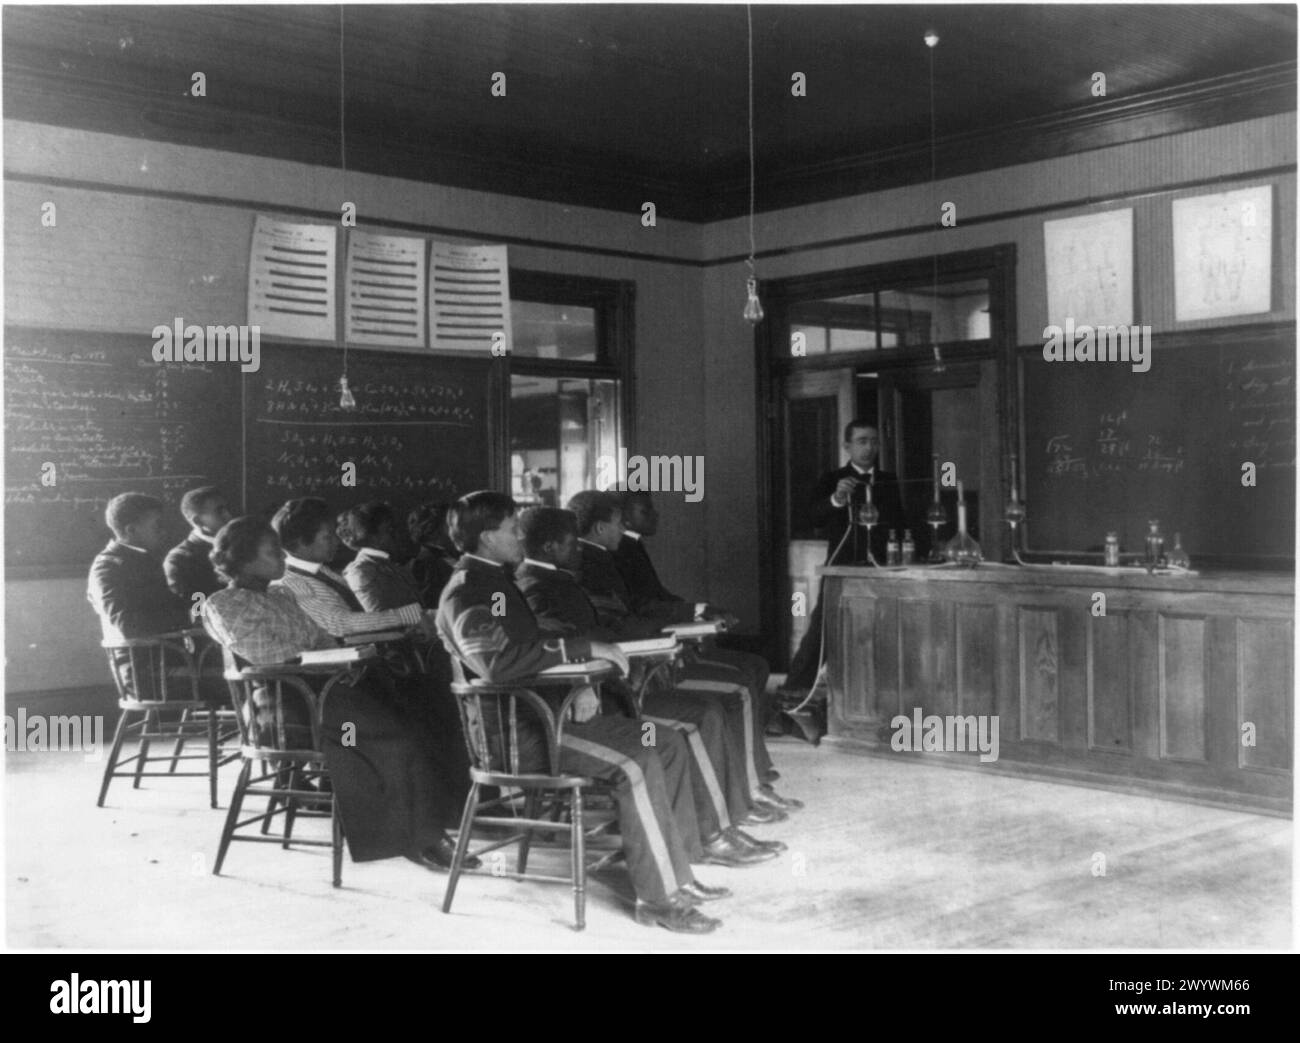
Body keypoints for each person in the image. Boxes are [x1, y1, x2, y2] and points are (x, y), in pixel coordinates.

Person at [436, 491, 729, 932]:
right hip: (524, 735)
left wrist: (581, 673)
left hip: (548, 718)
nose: (521, 534)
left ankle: (677, 872)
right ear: (484, 537)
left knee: (663, 741)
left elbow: (526, 643)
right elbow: (498, 663)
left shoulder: (496, 582)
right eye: (512, 527)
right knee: (638, 759)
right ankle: (658, 900)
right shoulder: (470, 591)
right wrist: (583, 649)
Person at [200, 516, 476, 870]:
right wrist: (323, 658)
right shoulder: (224, 603)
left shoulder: (283, 594)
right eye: (272, 553)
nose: (283, 560)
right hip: (285, 705)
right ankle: (414, 838)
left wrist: (336, 656)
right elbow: (267, 658)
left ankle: (426, 829)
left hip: (324, 690)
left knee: (415, 717)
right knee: (386, 734)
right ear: (242, 558)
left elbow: (322, 640)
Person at [515, 506, 782, 859]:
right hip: (608, 708)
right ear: (550, 548)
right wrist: (616, 652)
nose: (580, 550)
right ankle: (712, 835)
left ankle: (721, 824)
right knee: (693, 722)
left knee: (704, 715)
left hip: (616, 692)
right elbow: (565, 642)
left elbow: (603, 628)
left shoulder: (558, 580)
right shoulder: (535, 588)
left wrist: (652, 637)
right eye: (573, 545)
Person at [568, 490, 800, 814]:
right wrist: (677, 630)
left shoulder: (606, 556)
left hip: (639, 655)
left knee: (740, 682)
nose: (624, 529)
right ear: (600, 528)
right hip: (628, 675)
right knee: (728, 696)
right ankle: (747, 787)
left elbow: (637, 608)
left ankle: (748, 782)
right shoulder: (591, 564)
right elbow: (628, 616)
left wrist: (692, 617)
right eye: (620, 522)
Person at [785, 420, 906, 694]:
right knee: (822, 631)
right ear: (847, 446)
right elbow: (815, 517)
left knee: (882, 630)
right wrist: (837, 498)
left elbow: (899, 521)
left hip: (882, 568)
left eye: (874, 441)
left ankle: (872, 694)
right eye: (862, 441)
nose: (869, 447)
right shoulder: (831, 479)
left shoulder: (888, 480)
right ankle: (792, 695)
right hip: (841, 566)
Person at [87, 493, 195, 700]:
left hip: (167, 662)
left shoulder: (143, 560)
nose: (164, 531)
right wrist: (188, 617)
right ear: (131, 530)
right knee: (241, 679)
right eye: (157, 525)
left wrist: (201, 606)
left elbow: (179, 605)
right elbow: (128, 625)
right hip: (146, 674)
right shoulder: (108, 567)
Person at [337, 501, 424, 613]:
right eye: (390, 530)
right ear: (373, 537)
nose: (398, 535)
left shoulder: (392, 566)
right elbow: (382, 621)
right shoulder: (361, 572)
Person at [164, 486, 232, 602]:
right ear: (198, 521)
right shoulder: (179, 560)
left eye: (227, 509)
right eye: (219, 511)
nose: (229, 515)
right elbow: (194, 610)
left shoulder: (240, 542)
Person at [407, 503, 458, 609]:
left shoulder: (448, 556)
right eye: (451, 524)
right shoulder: (423, 564)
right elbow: (429, 607)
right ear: (432, 530)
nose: (458, 529)